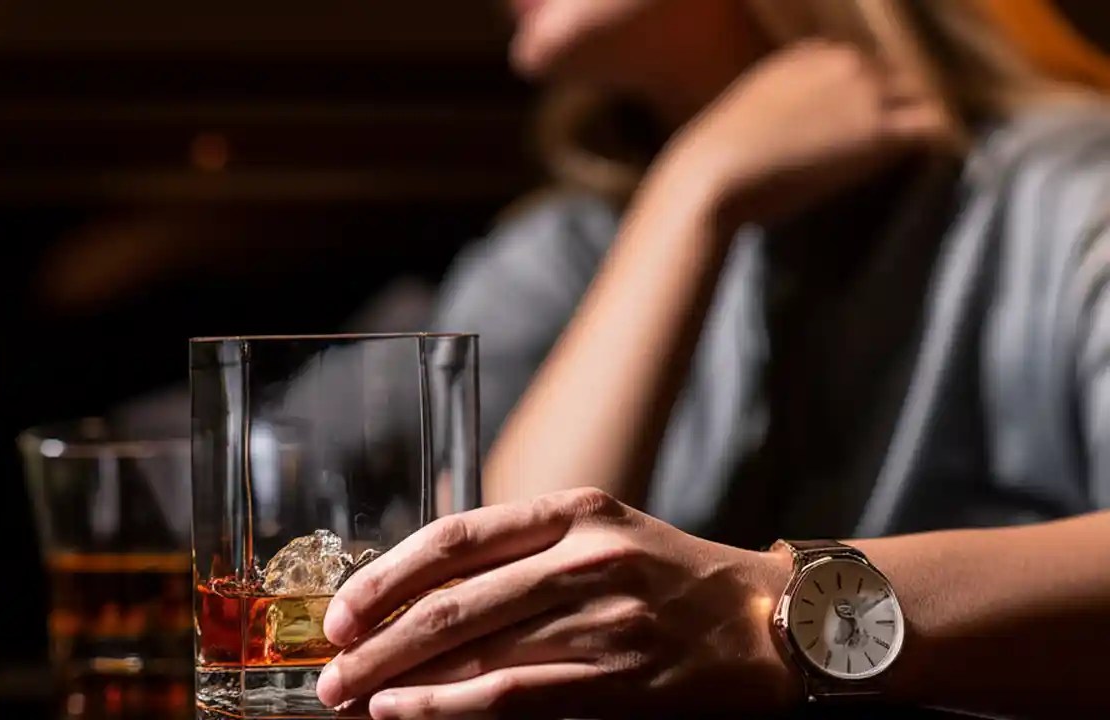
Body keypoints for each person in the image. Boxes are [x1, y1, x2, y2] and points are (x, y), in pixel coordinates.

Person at [309, 0, 1110, 716]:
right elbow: (503, 606)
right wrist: (692, 193)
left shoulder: (1069, 187)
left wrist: (763, 616)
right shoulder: (571, 246)